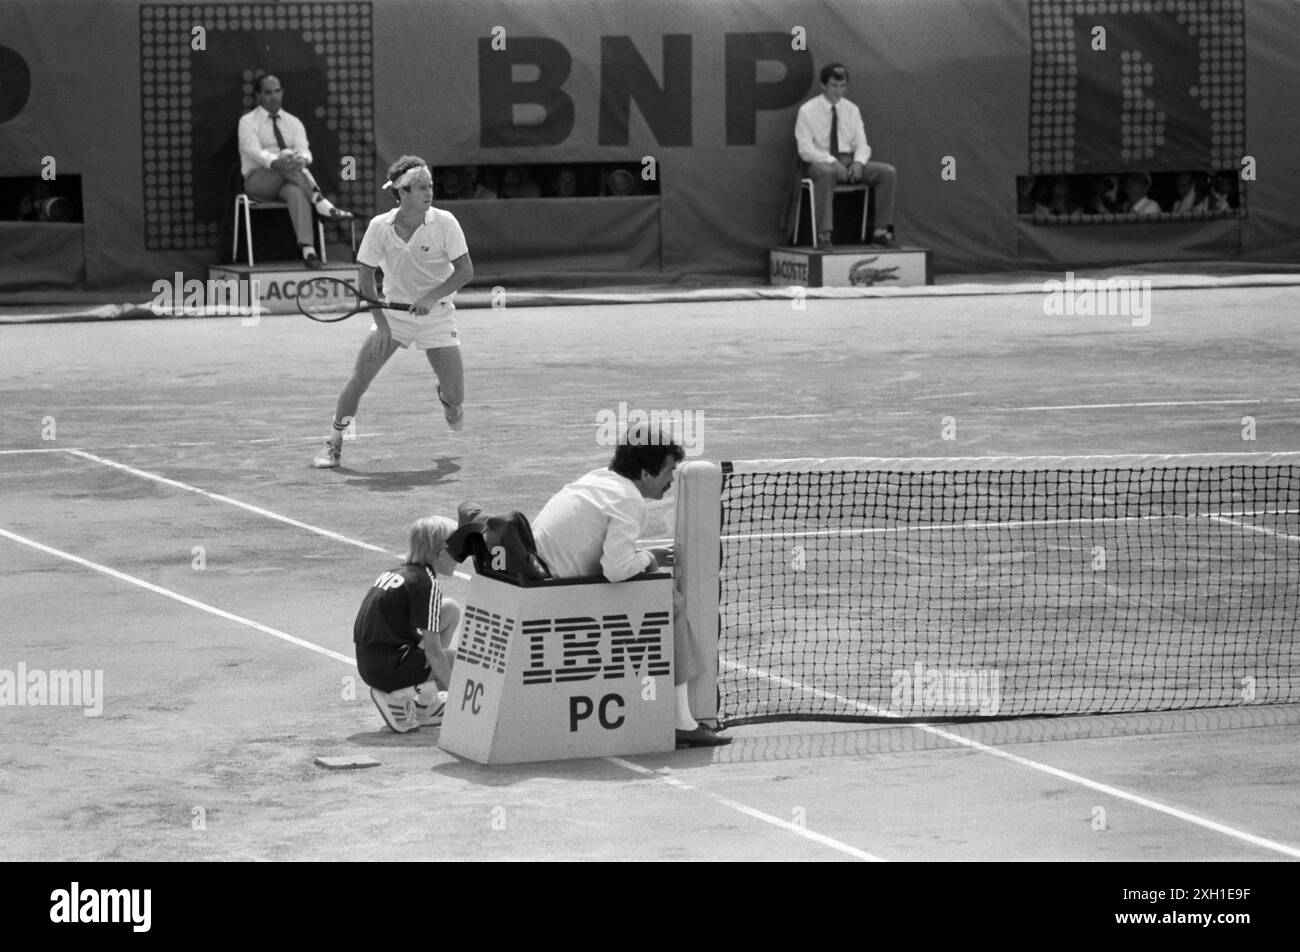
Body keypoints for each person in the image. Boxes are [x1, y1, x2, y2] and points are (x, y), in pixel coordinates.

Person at [531, 426, 730, 748]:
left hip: (541, 581)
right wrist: (648, 560)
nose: (671, 480)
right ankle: (682, 721)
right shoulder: (628, 500)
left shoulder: (597, 478)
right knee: (670, 602)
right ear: (644, 472)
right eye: (668, 471)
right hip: (558, 597)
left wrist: (643, 556)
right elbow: (616, 570)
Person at [311, 155, 474, 469]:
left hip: (437, 316)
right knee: (360, 379)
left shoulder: (445, 222)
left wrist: (430, 297)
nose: (429, 192)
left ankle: (446, 399)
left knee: (456, 400)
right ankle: (333, 444)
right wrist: (381, 323)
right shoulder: (379, 228)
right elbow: (365, 275)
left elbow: (465, 271)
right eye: (420, 187)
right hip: (394, 318)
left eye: (430, 186)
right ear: (402, 192)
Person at [354, 516, 462, 733]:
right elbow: (434, 652)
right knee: (457, 664)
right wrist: (457, 695)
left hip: (372, 662)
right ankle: (398, 695)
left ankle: (424, 702)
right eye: (457, 552)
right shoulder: (427, 584)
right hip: (386, 669)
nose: (460, 559)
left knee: (450, 610)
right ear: (441, 554)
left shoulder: (400, 573)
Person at [237, 72, 352, 269]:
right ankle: (320, 202)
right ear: (258, 96)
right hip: (258, 180)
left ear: (282, 92)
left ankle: (308, 251)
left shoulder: (293, 122)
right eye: (267, 92)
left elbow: (305, 151)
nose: (273, 96)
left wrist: (301, 159)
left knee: (297, 191)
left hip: (291, 181)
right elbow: (253, 151)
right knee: (287, 164)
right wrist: (278, 161)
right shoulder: (247, 122)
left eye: (277, 91)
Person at [795, 63, 897, 250]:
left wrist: (858, 162)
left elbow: (862, 143)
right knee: (826, 173)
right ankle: (824, 235)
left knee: (887, 173)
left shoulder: (852, 109)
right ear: (823, 85)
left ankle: (880, 232)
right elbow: (805, 149)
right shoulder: (807, 111)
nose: (839, 91)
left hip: (849, 161)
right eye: (834, 85)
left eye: (843, 86)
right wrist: (833, 162)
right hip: (820, 162)